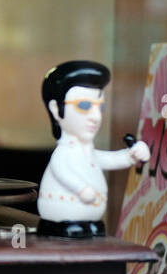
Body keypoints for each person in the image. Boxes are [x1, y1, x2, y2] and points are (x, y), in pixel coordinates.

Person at [36, 61, 149, 237]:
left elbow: (106, 159)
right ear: (56, 109)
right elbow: (62, 170)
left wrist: (129, 156)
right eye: (84, 106)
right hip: (64, 218)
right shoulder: (64, 152)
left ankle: (89, 225)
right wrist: (81, 189)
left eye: (100, 107)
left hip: (92, 220)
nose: (96, 117)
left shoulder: (88, 151)